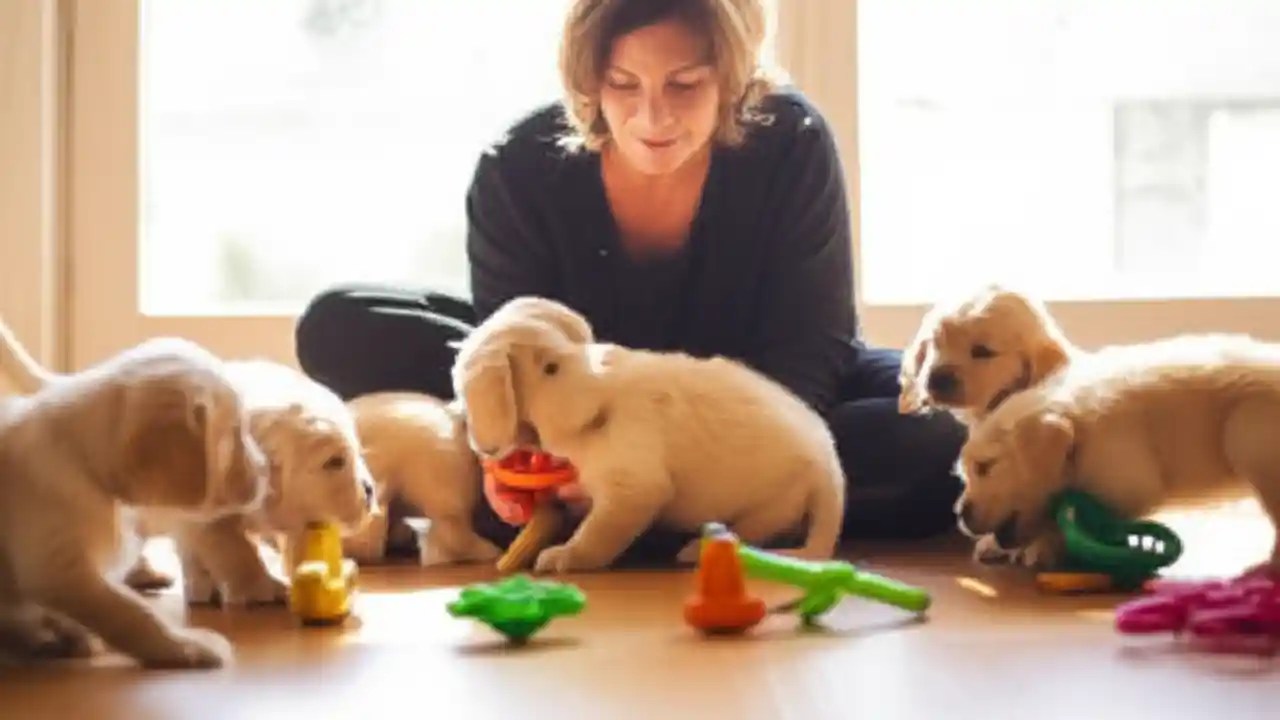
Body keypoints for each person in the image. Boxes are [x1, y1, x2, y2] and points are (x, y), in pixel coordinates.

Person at [294, 0, 967, 562]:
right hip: (583, 409)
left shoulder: (791, 142)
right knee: (340, 323)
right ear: (589, 80)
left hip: (739, 413)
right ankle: (668, 512)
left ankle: (645, 509)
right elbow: (512, 354)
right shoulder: (518, 167)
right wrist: (534, 456)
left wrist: (699, 455)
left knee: (939, 436)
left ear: (731, 76)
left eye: (685, 84)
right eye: (623, 85)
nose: (653, 117)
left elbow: (811, 351)